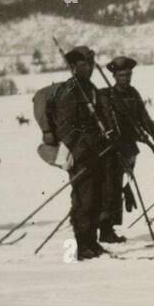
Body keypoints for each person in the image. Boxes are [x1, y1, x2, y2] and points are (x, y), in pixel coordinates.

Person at [98, 55, 154, 244]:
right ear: (114, 76)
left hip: (129, 148)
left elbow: (146, 120)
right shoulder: (107, 96)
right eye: (122, 75)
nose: (126, 78)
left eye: (129, 74)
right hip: (112, 148)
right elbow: (105, 122)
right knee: (109, 187)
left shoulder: (133, 94)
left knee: (119, 186)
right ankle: (104, 229)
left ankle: (109, 229)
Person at [54, 46, 114, 260]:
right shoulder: (70, 91)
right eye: (82, 65)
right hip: (81, 154)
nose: (87, 68)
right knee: (83, 200)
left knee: (97, 197)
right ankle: (80, 246)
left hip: (98, 151)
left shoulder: (91, 89)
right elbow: (65, 127)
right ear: (73, 67)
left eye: (89, 64)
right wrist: (83, 146)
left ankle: (92, 242)